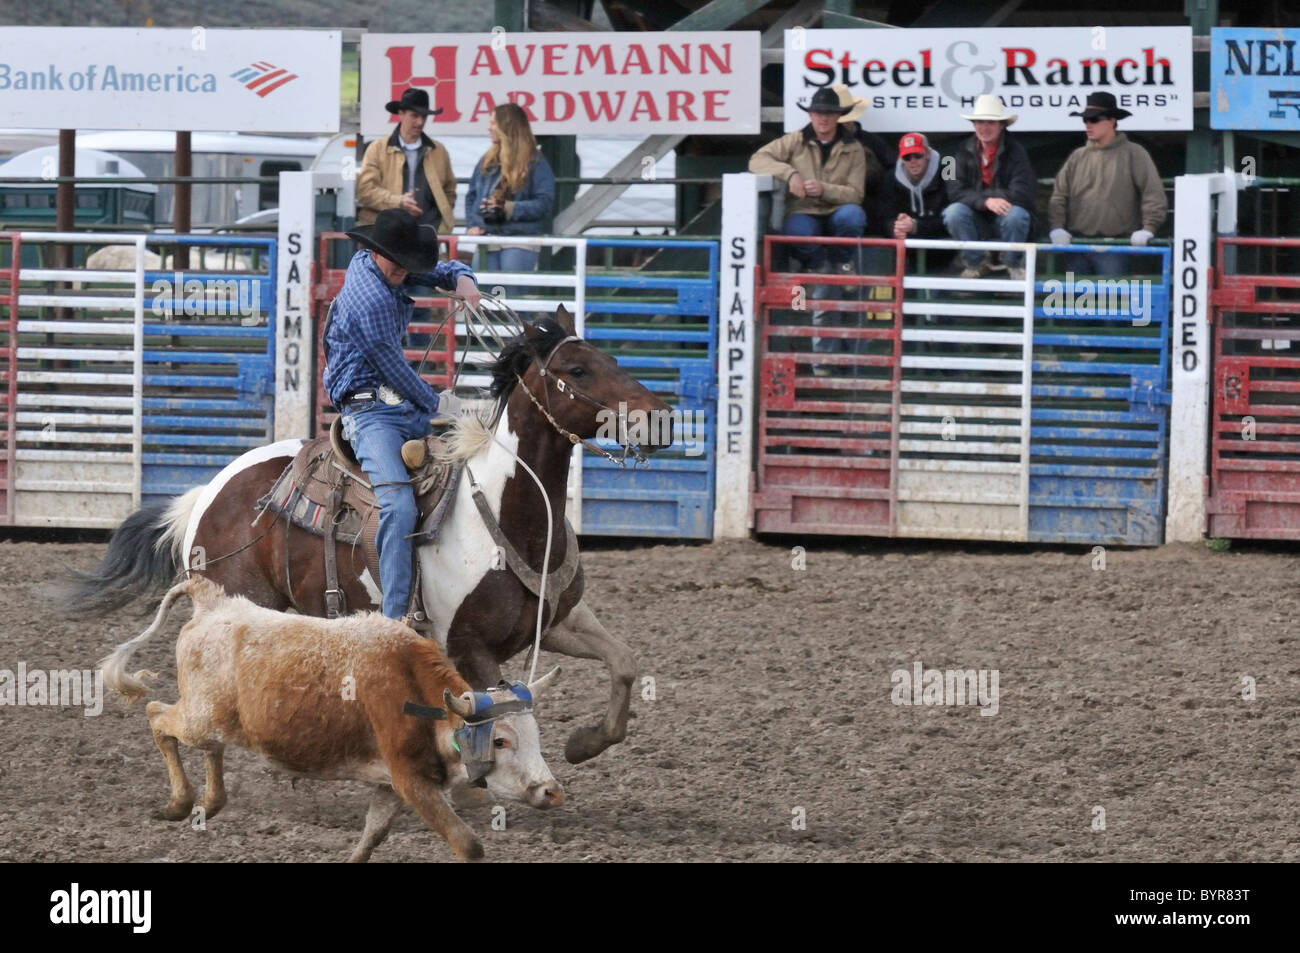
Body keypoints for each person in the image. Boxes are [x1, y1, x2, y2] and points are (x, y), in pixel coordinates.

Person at [322, 209, 481, 620]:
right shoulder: (369, 298)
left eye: (406, 267)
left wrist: (462, 278)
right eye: (399, 268)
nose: (403, 274)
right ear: (378, 256)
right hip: (368, 409)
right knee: (399, 504)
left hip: (395, 401)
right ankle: (394, 621)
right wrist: (434, 402)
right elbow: (391, 364)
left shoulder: (380, 265)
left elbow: (436, 271)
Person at [748, 86, 867, 275]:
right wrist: (790, 174)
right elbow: (757, 160)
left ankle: (841, 263)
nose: (824, 118)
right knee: (796, 229)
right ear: (810, 114)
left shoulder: (854, 148)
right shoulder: (795, 140)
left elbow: (856, 195)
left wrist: (824, 189)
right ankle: (818, 266)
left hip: (839, 210)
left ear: (838, 116)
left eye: (829, 113)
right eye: (819, 112)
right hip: (803, 209)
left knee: (852, 217)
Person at [1048, 91, 1168, 277]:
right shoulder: (1077, 157)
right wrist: (1057, 227)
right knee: (1075, 304)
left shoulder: (1134, 153)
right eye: (1085, 120)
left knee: (1110, 303)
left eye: (1094, 119)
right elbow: (1059, 196)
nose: (1088, 124)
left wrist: (1148, 228)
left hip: (1116, 245)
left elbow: (1152, 193)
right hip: (1076, 244)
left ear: (1112, 121)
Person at [942, 94, 1037, 280]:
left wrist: (988, 200)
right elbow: (953, 190)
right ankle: (975, 263)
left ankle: (1013, 264)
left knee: (1017, 216)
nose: (984, 128)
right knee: (952, 212)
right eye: (979, 122)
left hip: (1005, 219)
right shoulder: (958, 151)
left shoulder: (1017, 151)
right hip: (976, 218)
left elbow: (1024, 191)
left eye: (990, 123)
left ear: (1002, 125)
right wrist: (985, 201)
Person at [465, 102, 556, 274]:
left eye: (493, 123)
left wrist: (510, 209)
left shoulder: (535, 162)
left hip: (520, 240)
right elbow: (471, 196)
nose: (489, 128)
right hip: (487, 238)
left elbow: (544, 202)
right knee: (482, 293)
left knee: (511, 296)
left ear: (506, 126)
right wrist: (473, 225)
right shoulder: (487, 160)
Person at [356, 88, 456, 232]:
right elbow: (365, 191)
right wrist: (398, 202)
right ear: (400, 114)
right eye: (414, 115)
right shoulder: (377, 149)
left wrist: (438, 223)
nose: (420, 122)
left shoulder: (439, 151)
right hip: (385, 232)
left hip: (425, 230)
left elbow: (449, 191)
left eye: (424, 116)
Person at [883, 133, 946, 240]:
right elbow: (885, 216)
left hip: (942, 243)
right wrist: (897, 228)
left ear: (927, 154)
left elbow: (948, 220)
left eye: (917, 155)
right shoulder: (890, 178)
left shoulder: (946, 173)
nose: (913, 161)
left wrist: (916, 226)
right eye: (907, 157)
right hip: (905, 242)